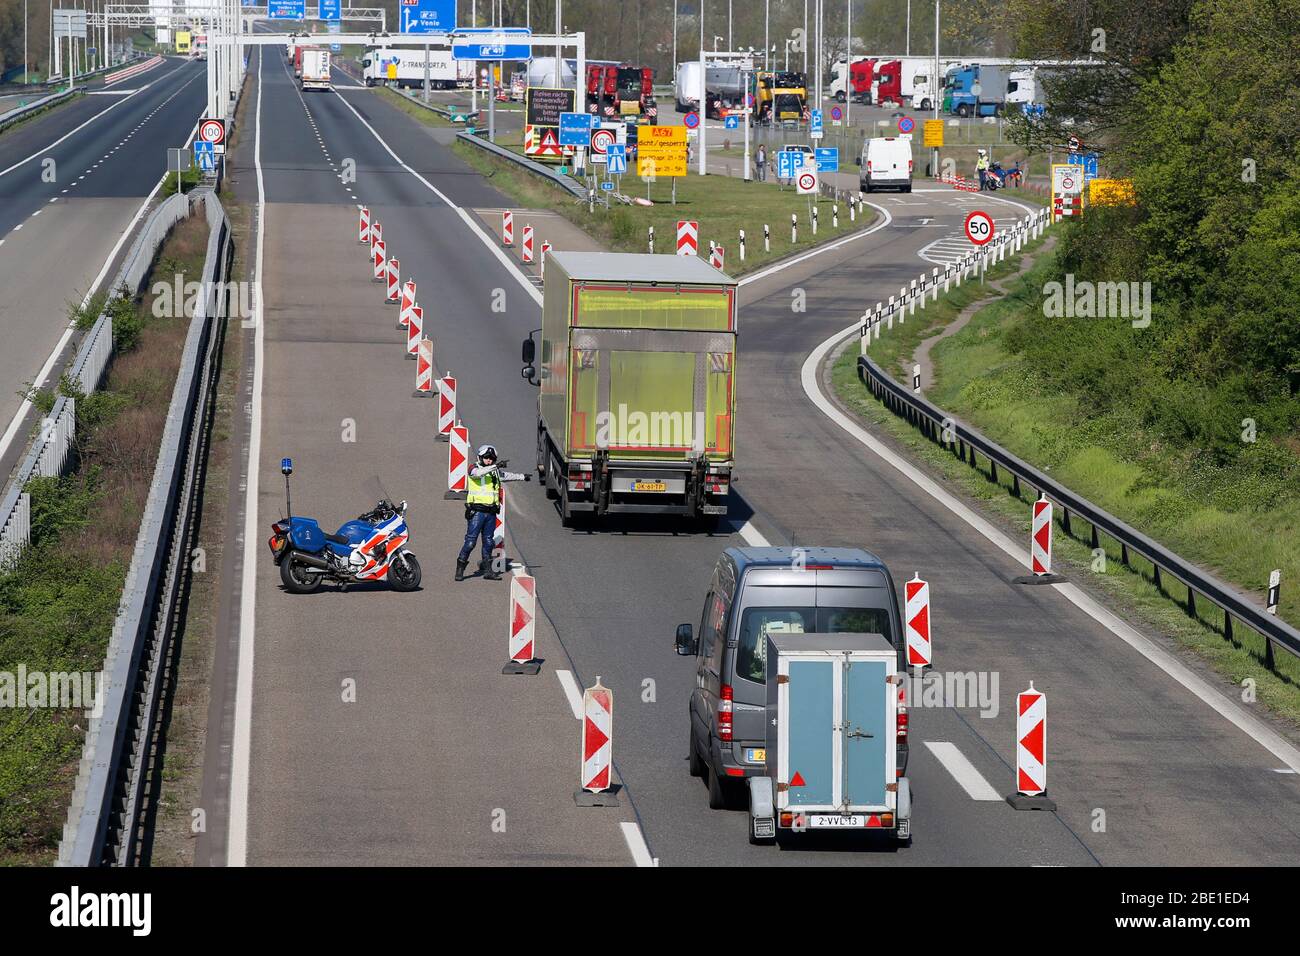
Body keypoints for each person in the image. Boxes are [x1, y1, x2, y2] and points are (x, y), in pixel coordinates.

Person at [456, 444, 528, 581]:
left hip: (490, 512)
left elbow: (505, 476)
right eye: (486, 458)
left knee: (488, 542)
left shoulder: (494, 471)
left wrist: (522, 476)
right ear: (480, 457)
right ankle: (460, 568)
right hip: (476, 512)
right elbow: (478, 474)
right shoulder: (474, 468)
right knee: (470, 542)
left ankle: (488, 571)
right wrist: (495, 466)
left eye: (491, 459)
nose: (489, 460)